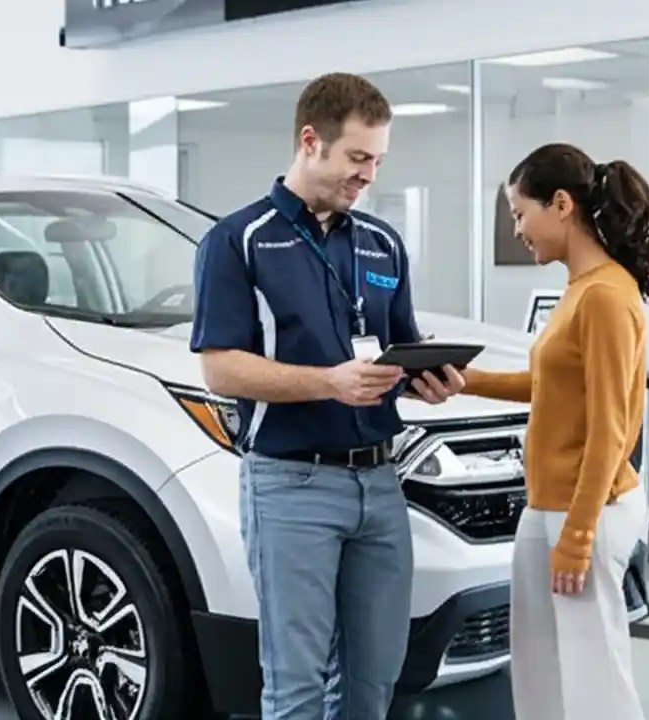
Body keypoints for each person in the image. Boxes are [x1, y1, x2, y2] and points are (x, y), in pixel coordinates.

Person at [188, 72, 466, 720]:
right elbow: (220, 369)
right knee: (297, 686)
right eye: (358, 157)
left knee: (373, 684)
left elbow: (398, 347)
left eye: (378, 160)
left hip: (381, 485)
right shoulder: (237, 241)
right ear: (310, 142)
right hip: (291, 486)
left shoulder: (382, 242)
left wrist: (428, 378)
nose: (369, 175)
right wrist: (328, 382)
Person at [462, 143, 649, 720]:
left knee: (592, 683)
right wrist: (464, 381)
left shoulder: (604, 295)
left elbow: (610, 429)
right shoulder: (579, 289)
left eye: (519, 213)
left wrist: (577, 536)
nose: (517, 229)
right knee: (540, 675)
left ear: (560, 205)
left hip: (587, 511)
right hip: (546, 504)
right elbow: (549, 384)